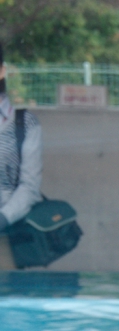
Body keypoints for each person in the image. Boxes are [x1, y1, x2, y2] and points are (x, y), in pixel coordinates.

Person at [0, 41, 43, 270]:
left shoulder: (25, 124)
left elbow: (30, 187)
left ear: (2, 71)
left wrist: (3, 218)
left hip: (9, 239)